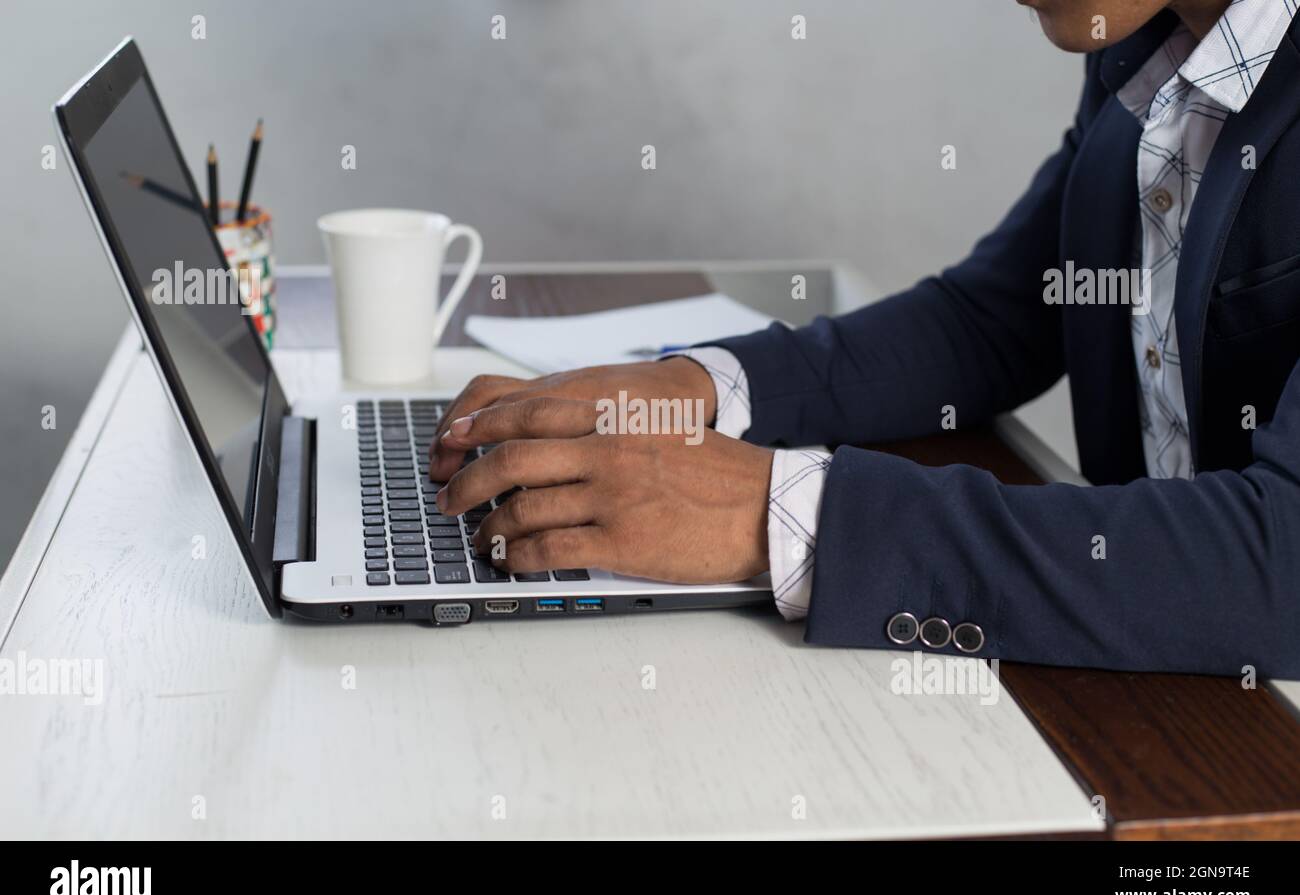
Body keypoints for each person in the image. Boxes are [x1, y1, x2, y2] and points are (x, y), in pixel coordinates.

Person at [428, 0, 1300, 677]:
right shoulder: (1148, 55)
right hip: (1162, 694)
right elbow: (993, 320)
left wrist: (773, 513)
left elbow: (1284, 564)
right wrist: (699, 387)